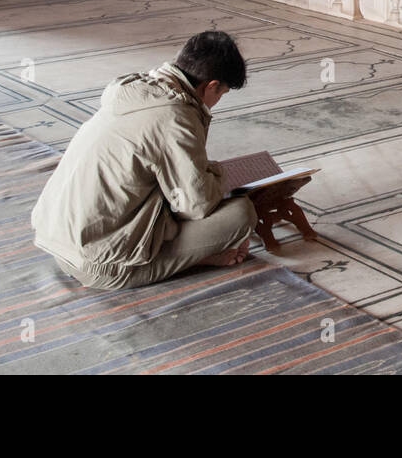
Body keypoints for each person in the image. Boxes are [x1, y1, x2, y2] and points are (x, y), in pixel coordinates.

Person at [31, 31, 259, 290]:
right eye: (222, 93)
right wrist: (218, 173)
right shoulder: (175, 117)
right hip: (99, 266)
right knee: (241, 214)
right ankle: (198, 259)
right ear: (211, 85)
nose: (216, 103)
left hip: (57, 240)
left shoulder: (135, 90)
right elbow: (197, 206)